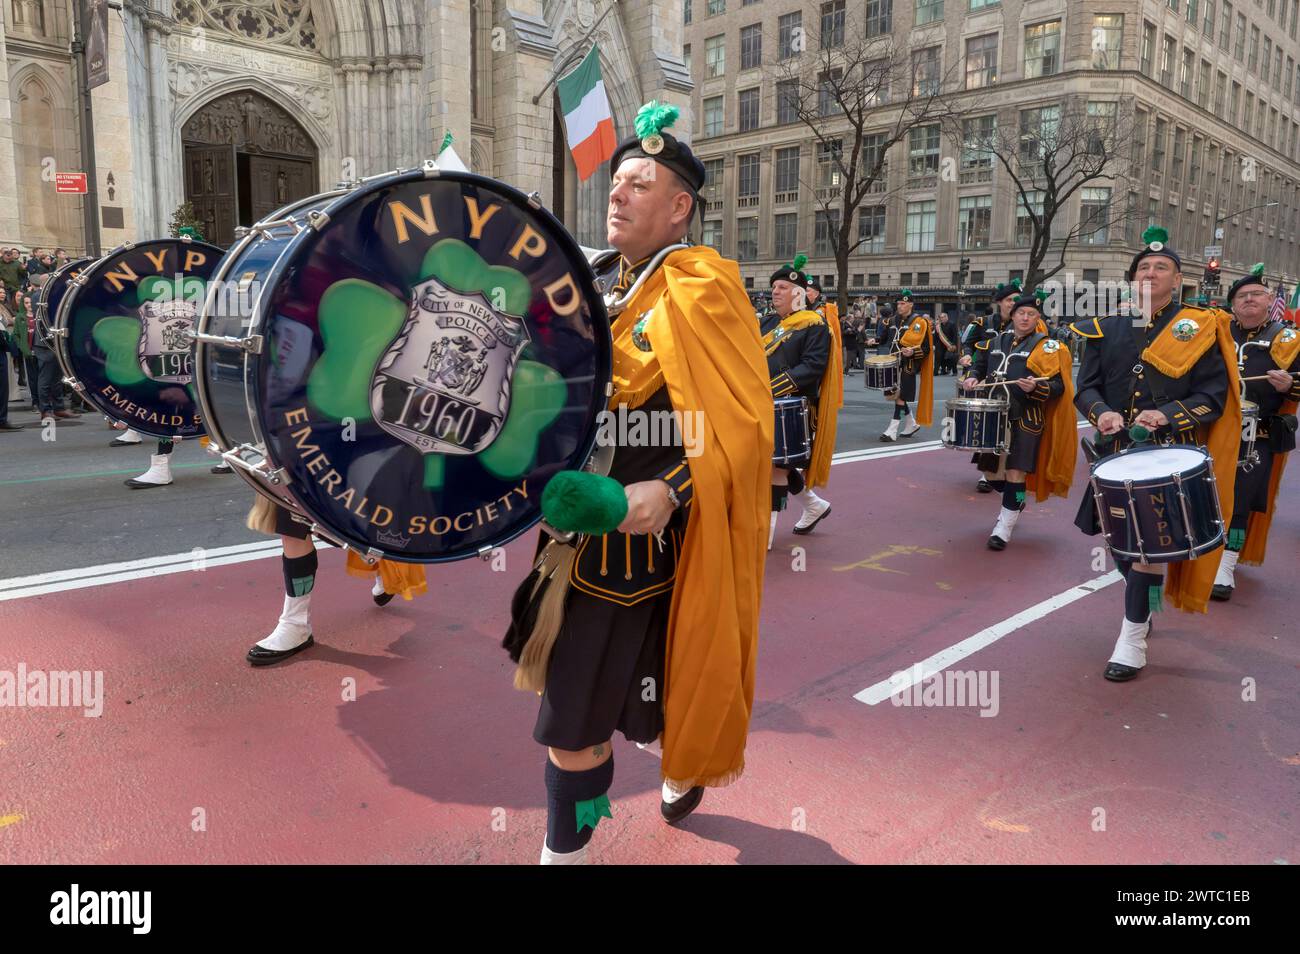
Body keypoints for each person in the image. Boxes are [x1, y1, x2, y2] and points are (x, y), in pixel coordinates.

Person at [502, 101, 771, 864]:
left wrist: (674, 491)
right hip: (570, 535)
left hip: (649, 556)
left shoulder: (704, 286)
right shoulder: (586, 282)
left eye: (639, 185)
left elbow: (740, 429)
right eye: (616, 183)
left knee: (592, 714)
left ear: (680, 206)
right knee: (574, 718)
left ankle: (570, 850)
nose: (617, 195)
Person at [1070, 227, 1240, 682]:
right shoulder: (1106, 327)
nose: (1150, 272)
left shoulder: (1199, 327)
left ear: (1178, 278)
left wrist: (1165, 415)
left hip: (1169, 456)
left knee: (1146, 549)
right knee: (1120, 545)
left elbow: (1213, 398)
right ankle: (1145, 606)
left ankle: (1132, 638)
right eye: (1143, 267)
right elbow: (1084, 389)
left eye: (1160, 267)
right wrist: (1101, 413)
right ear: (1132, 279)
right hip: (1114, 454)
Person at [1211, 265, 1300, 600]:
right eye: (1242, 296)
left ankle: (1227, 565)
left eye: (1256, 295)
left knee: (1243, 502)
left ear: (1269, 301)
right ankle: (1203, 554)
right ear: (1233, 305)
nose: (1249, 300)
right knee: (1206, 494)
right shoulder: (1216, 332)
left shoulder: (1286, 338)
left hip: (1257, 434)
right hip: (1214, 430)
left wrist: (1291, 383)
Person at [961, 290, 1076, 549]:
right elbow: (979, 364)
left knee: (1016, 472)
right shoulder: (997, 340)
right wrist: (972, 376)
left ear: (1038, 319)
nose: (1025, 318)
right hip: (993, 415)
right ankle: (1016, 501)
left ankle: (1004, 527)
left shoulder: (1047, 346)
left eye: (1031, 314)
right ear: (1012, 316)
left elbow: (1058, 385)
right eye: (1021, 313)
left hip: (1026, 417)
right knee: (991, 475)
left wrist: (1035, 388)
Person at [765, 253, 841, 540]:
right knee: (773, 463)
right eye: (773, 288)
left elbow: (811, 367)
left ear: (798, 293)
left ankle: (766, 533)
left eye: (782, 288)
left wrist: (771, 388)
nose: (775, 292)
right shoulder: (767, 324)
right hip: (761, 403)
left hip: (794, 408)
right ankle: (814, 505)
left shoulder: (814, 324)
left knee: (775, 466)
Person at [871, 289, 932, 441]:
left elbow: (926, 349)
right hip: (893, 361)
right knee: (895, 394)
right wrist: (875, 340)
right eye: (898, 303)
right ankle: (911, 423)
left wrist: (912, 353)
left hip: (909, 363)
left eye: (903, 303)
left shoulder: (919, 322)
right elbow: (884, 338)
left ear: (910, 304)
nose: (899, 306)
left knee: (902, 394)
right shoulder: (892, 320)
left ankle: (892, 429)